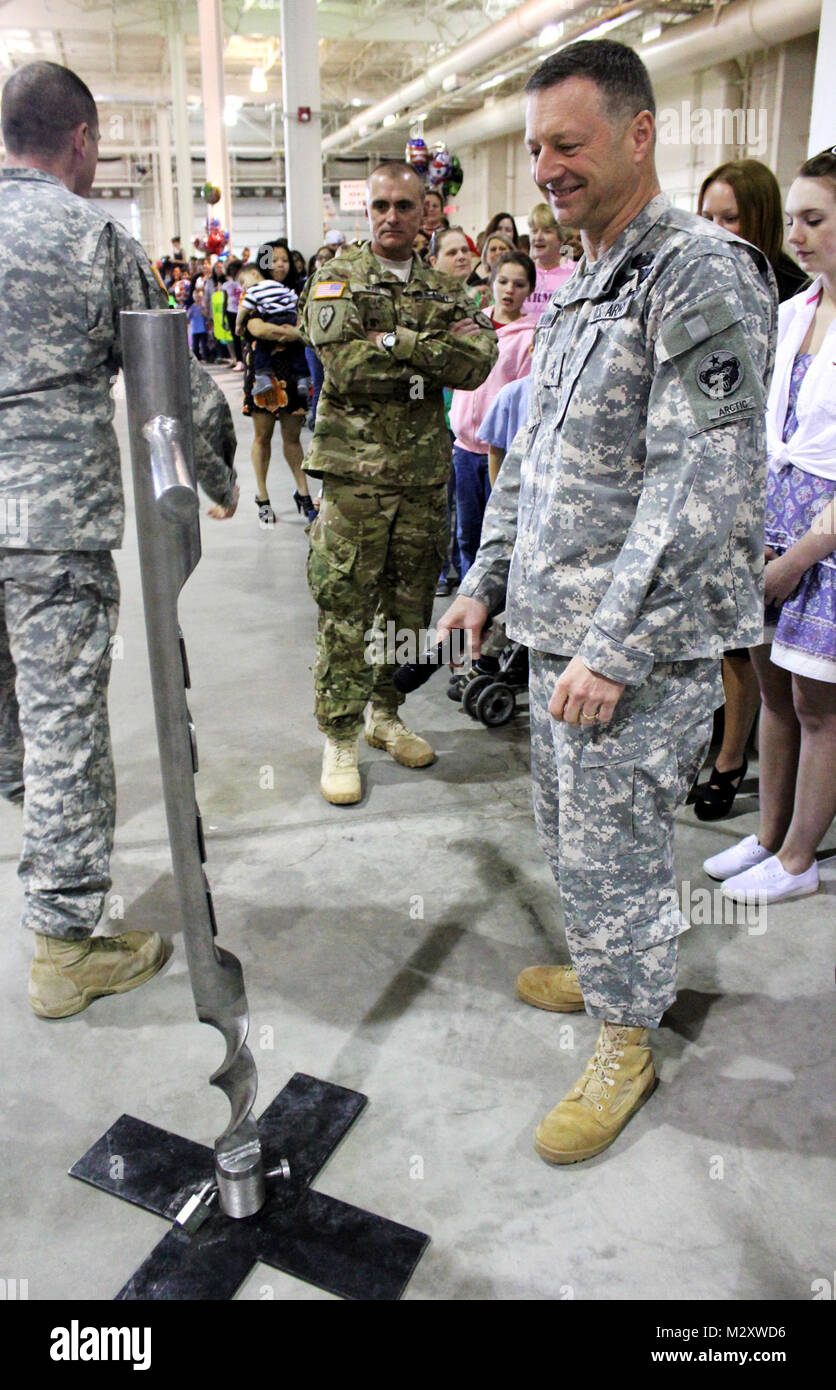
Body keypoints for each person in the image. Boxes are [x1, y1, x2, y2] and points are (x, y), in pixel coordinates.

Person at [437, 39, 775, 1165]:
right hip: (554, 627)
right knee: (572, 834)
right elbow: (532, 453)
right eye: (534, 146)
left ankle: (625, 1037)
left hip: (628, 647)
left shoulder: (699, 271)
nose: (543, 166)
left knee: (619, 844)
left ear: (639, 135)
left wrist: (616, 646)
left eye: (565, 143)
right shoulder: (590, 275)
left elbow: (701, 482)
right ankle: (601, 961)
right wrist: (485, 578)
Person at [0, 61, 239, 1019]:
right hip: (50, 525)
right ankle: (62, 944)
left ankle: (23, 811)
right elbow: (165, 377)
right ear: (83, 139)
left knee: (12, 715)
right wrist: (217, 481)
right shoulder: (93, 235)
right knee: (66, 728)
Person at [298, 160, 497, 805]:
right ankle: (340, 735)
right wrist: (424, 350)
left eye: (403, 207)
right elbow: (347, 368)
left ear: (426, 213)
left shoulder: (447, 288)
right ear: (368, 210)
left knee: (409, 607)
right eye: (380, 205)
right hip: (356, 478)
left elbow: (477, 365)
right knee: (347, 606)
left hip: (421, 478)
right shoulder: (336, 277)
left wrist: (393, 336)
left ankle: (386, 714)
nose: (390, 217)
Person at [704, 149, 836, 905]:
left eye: (815, 220)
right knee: (774, 690)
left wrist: (803, 553)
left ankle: (798, 857)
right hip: (771, 520)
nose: (798, 236)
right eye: (794, 220)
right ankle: (768, 832)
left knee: (821, 706)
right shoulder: (790, 313)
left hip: (823, 533)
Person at [692, 158, 810, 820]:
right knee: (717, 631)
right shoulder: (698, 283)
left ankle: (734, 759)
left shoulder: (792, 296)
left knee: (749, 637)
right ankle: (716, 739)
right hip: (706, 474)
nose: (714, 230)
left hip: (771, 489)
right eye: (705, 216)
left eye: (729, 218)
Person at [449, 250, 537, 576]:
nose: (509, 290)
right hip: (463, 448)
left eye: (518, 284)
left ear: (529, 290)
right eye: (503, 281)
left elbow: (522, 402)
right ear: (491, 282)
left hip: (500, 453)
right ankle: (466, 592)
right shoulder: (472, 325)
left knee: (498, 531)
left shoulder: (530, 336)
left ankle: (493, 601)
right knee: (466, 530)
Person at [236, 240, 315, 525]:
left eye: (285, 259)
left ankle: (303, 492)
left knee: (292, 439)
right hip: (264, 376)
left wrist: (291, 333)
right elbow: (258, 329)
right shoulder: (254, 292)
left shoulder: (296, 294)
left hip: (294, 374)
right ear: (264, 263)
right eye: (275, 259)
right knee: (263, 437)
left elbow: (311, 329)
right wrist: (291, 332)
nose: (281, 264)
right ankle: (262, 495)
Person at [523, 202, 575, 316]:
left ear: (561, 236)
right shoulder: (522, 272)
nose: (538, 237)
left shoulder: (575, 273)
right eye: (534, 231)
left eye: (547, 231)